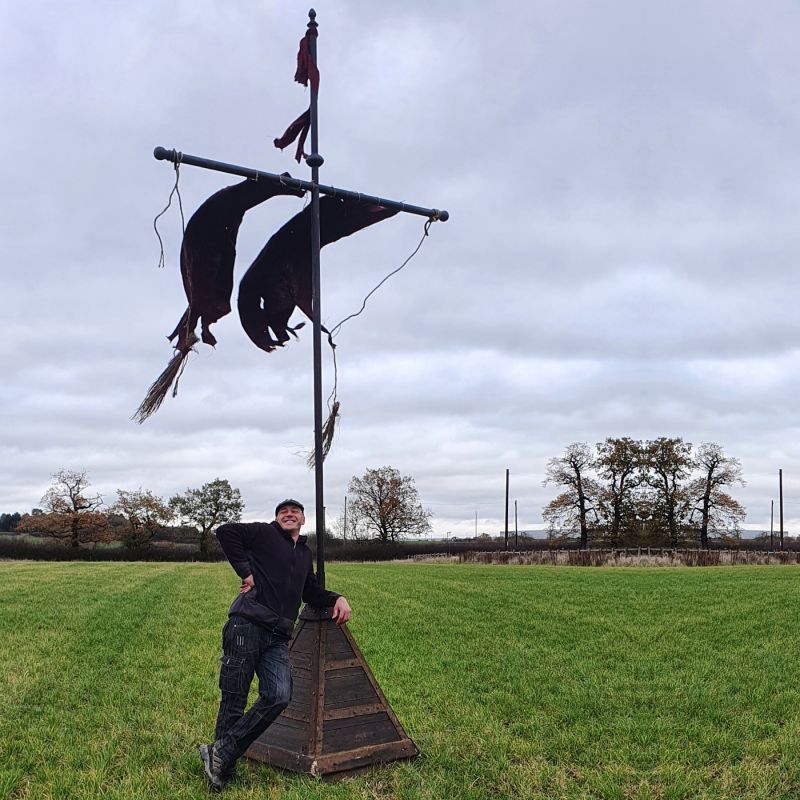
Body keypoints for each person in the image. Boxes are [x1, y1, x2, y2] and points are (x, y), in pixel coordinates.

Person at [199, 498, 352, 791]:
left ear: (303, 520)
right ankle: (221, 772)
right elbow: (226, 531)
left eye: (295, 511)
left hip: (279, 635)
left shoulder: (304, 554)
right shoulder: (264, 533)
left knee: (279, 695)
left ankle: (220, 752)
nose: (289, 514)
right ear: (277, 518)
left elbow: (310, 591)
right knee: (235, 698)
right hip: (247, 623)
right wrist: (246, 572)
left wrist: (336, 598)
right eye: (283, 511)